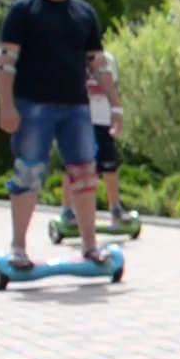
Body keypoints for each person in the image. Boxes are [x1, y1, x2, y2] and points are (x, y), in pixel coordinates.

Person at [0, 0, 121, 268]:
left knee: (85, 174)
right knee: (28, 174)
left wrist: (115, 105)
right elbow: (4, 62)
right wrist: (6, 106)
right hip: (32, 106)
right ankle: (18, 247)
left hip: (76, 108)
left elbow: (98, 63)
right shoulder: (23, 11)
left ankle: (90, 245)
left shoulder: (84, 14)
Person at [59, 50, 134, 229]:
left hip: (102, 119)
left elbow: (112, 88)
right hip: (79, 118)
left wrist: (117, 115)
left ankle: (115, 209)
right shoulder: (72, 56)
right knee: (75, 165)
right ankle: (67, 210)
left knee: (109, 165)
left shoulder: (107, 59)